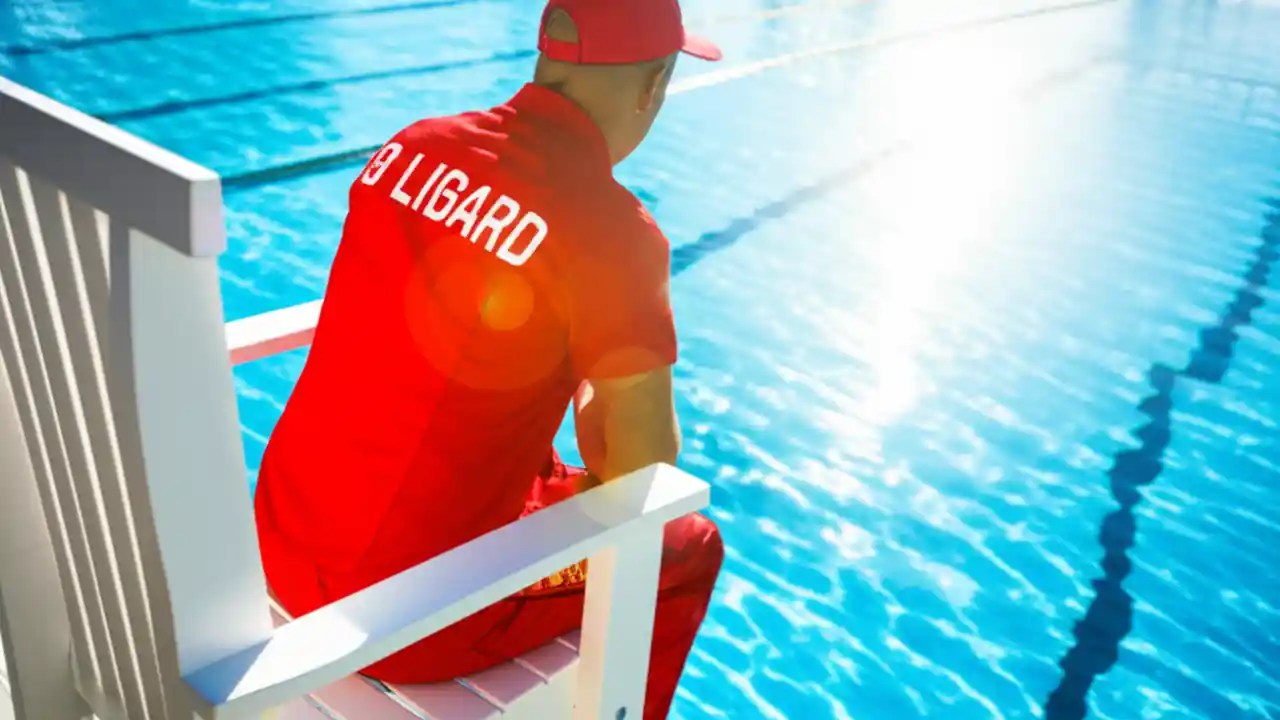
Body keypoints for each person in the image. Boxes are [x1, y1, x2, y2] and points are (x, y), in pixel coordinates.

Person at [253, 0, 724, 717]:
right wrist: (600, 376)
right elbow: (638, 476)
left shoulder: (410, 149)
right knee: (686, 544)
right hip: (406, 621)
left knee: (533, 469)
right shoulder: (613, 233)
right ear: (652, 86)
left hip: (280, 544)